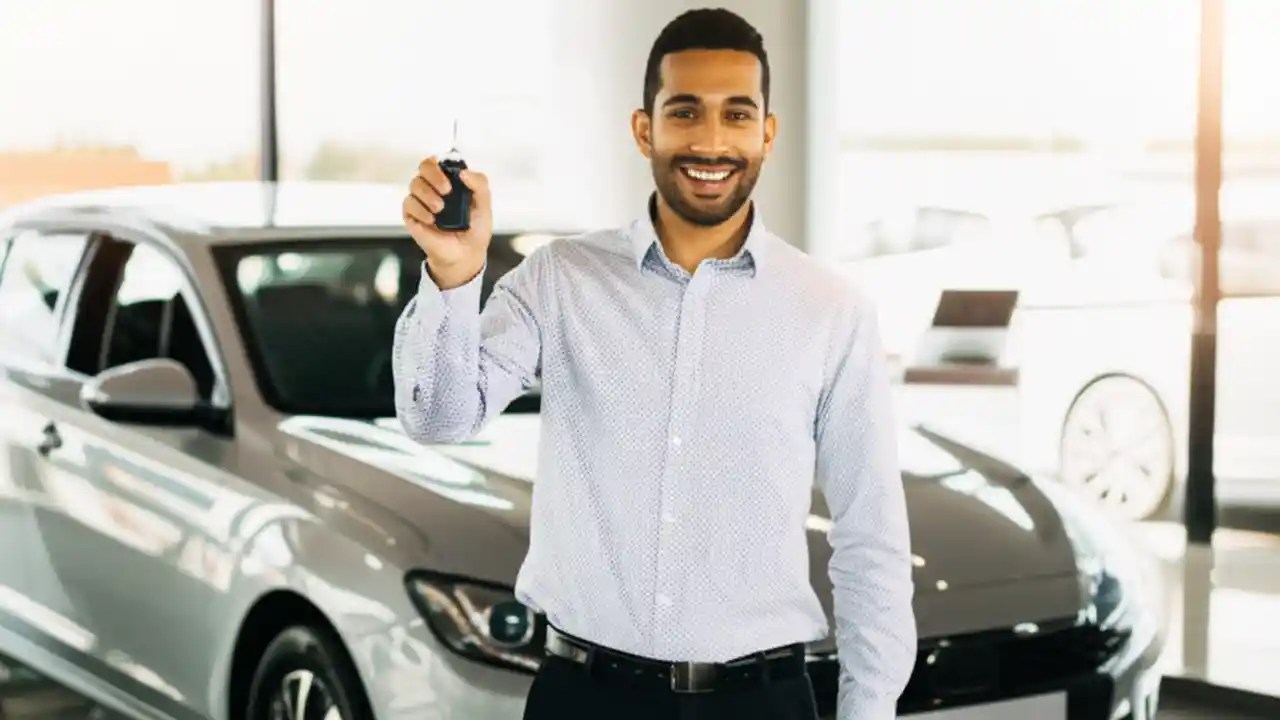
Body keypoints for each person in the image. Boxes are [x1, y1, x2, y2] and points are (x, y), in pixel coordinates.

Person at [394, 7, 915, 720]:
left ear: (767, 131)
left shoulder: (831, 308)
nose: (710, 140)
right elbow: (440, 420)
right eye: (685, 112)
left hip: (762, 704)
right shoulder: (560, 278)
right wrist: (455, 274)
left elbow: (870, 533)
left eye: (737, 115)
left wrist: (870, 708)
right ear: (645, 129)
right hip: (585, 698)